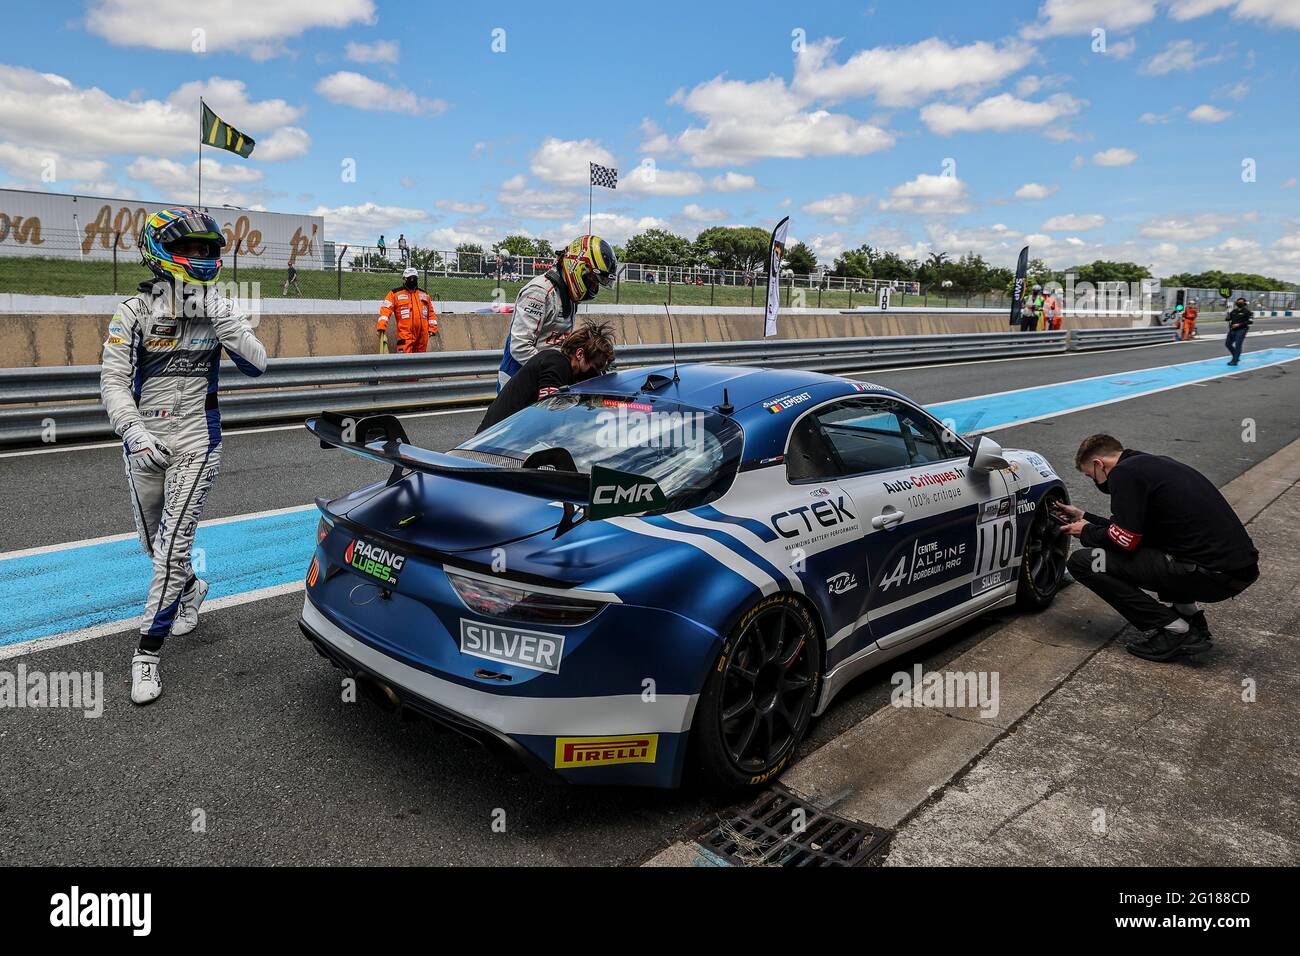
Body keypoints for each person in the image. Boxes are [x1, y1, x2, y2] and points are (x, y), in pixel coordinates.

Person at [101, 207, 267, 705]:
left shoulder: (221, 308)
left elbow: (258, 364)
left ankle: (146, 656)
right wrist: (133, 433)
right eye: (192, 249)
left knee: (173, 546)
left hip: (199, 441)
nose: (203, 258)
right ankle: (192, 590)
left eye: (209, 250)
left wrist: (218, 315)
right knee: (153, 544)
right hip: (144, 442)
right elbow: (112, 382)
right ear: (161, 251)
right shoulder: (132, 312)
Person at [1056, 434, 1259, 662]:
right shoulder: (1151, 465)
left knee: (1085, 562)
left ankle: (1176, 631)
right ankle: (1189, 617)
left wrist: (1085, 532)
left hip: (1211, 575)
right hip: (1234, 571)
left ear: (1098, 464)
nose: (1094, 481)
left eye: (1089, 475)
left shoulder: (1124, 475)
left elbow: (1125, 540)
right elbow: (1142, 533)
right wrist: (1085, 517)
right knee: (1165, 548)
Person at [497, 234, 617, 389]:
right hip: (517, 379)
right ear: (578, 267)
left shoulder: (568, 296)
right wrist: (558, 371)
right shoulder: (539, 292)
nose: (594, 288)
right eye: (593, 280)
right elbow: (520, 347)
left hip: (545, 379)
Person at [478, 321, 616, 432]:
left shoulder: (566, 369)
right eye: (595, 366)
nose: (596, 373)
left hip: (505, 436)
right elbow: (549, 415)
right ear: (580, 354)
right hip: (493, 439)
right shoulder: (556, 363)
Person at [377, 266, 438, 354]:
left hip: (422, 336)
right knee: (404, 362)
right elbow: (385, 310)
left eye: (414, 278)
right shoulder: (394, 294)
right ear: (404, 279)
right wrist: (381, 327)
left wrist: (432, 329)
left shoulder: (424, 294)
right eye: (410, 278)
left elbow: (431, 313)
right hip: (405, 335)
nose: (412, 280)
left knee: (421, 362)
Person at [1225, 297, 1252, 365]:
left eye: (1241, 302)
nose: (1239, 303)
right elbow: (1228, 319)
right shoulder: (1233, 311)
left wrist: (1239, 324)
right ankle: (1236, 356)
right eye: (1238, 302)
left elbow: (1250, 321)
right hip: (1232, 329)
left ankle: (1235, 361)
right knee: (1228, 344)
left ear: (1244, 303)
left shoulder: (1247, 312)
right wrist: (1227, 317)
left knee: (1238, 345)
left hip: (1242, 330)